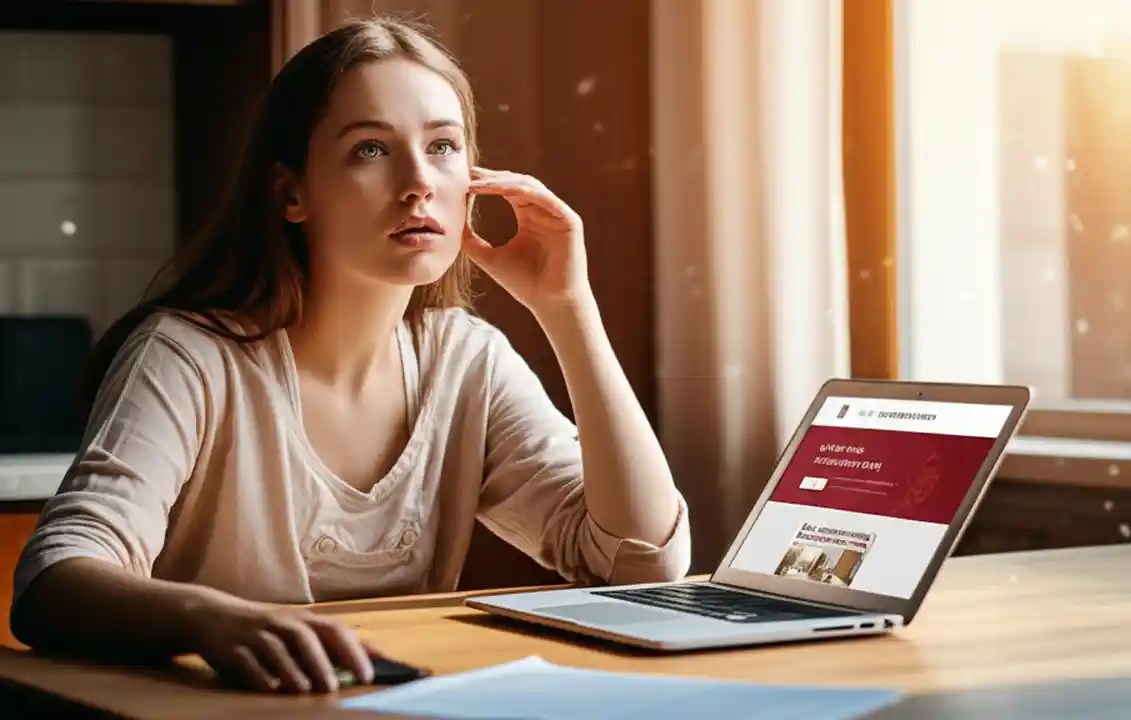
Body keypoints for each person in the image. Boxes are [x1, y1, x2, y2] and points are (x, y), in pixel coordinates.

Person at [9, 17, 690, 695]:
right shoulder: (190, 357)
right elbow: (52, 579)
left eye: (444, 147)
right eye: (370, 150)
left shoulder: (467, 360)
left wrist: (568, 310)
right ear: (291, 193)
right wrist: (212, 620)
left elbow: (642, 565)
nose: (419, 182)